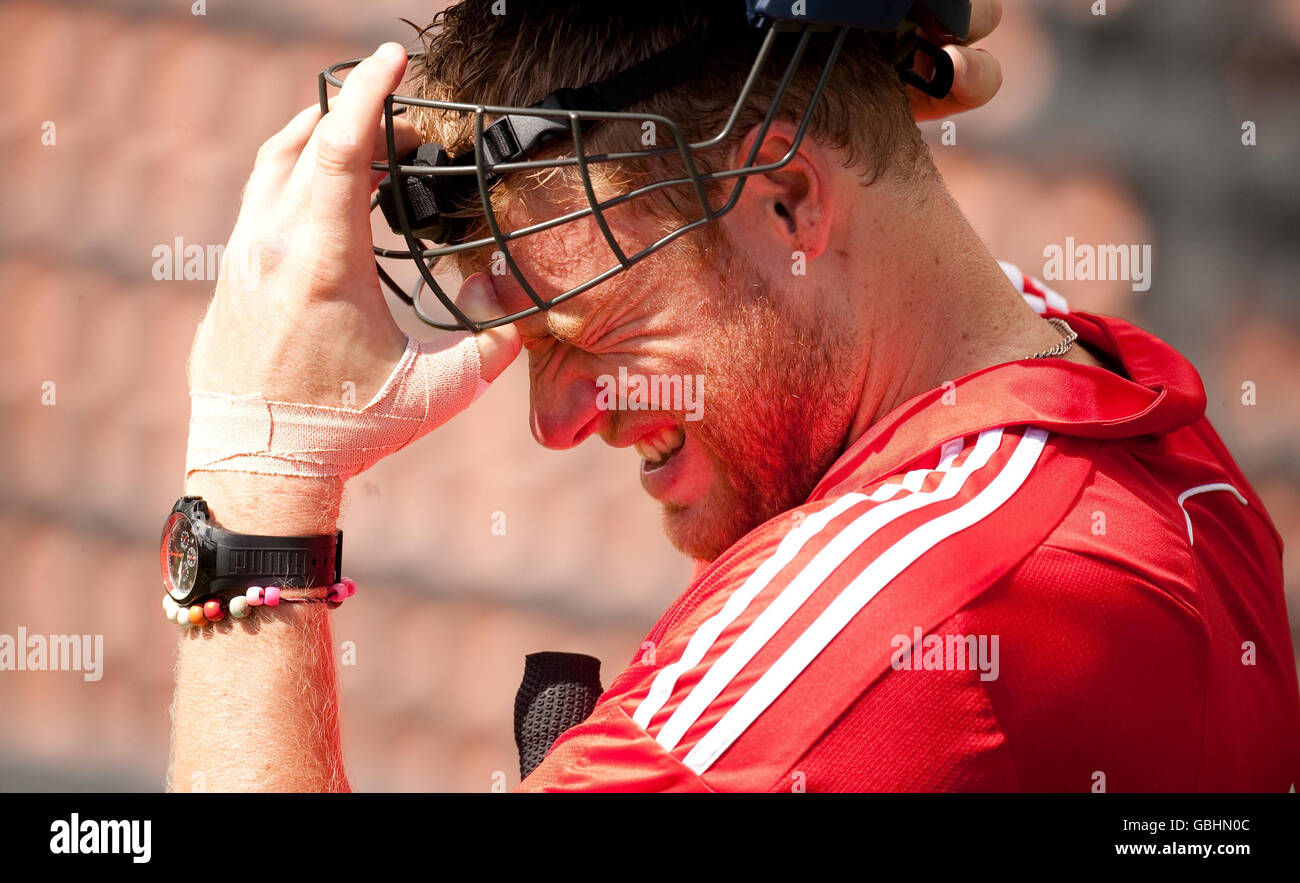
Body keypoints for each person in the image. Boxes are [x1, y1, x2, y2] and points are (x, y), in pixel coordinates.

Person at [168, 0, 1300, 792]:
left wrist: (259, 485)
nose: (554, 424)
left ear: (787, 203)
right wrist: (845, 95)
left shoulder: (883, 638)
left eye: (587, 329)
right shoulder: (1130, 409)